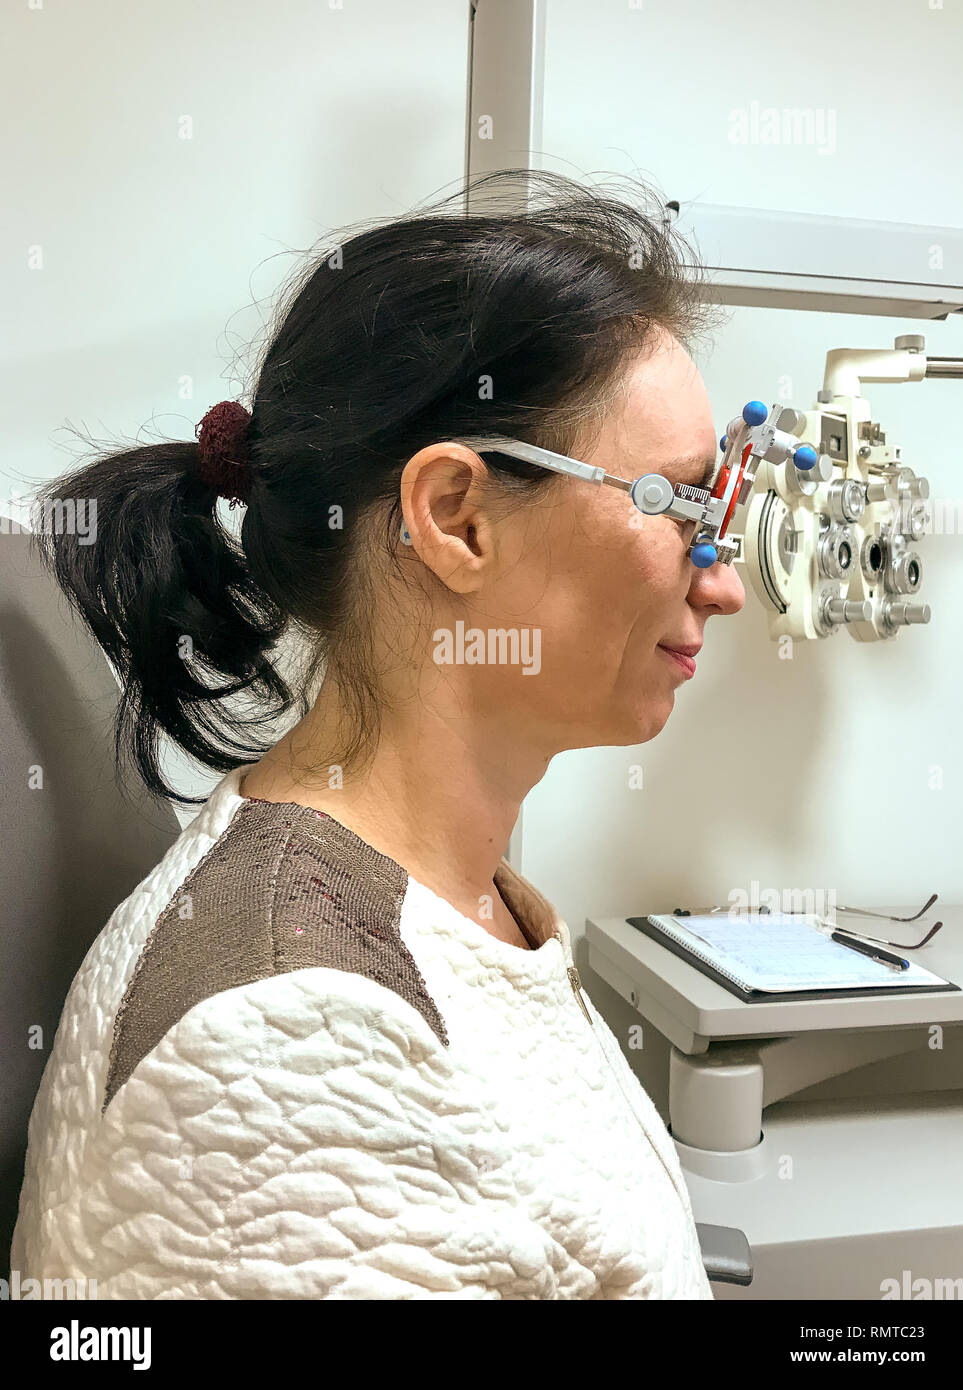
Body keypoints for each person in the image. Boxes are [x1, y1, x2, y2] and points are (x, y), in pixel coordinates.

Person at [12, 169, 745, 1299]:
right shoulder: (288, 1050)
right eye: (683, 508)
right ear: (455, 517)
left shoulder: (454, 896)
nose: (726, 581)